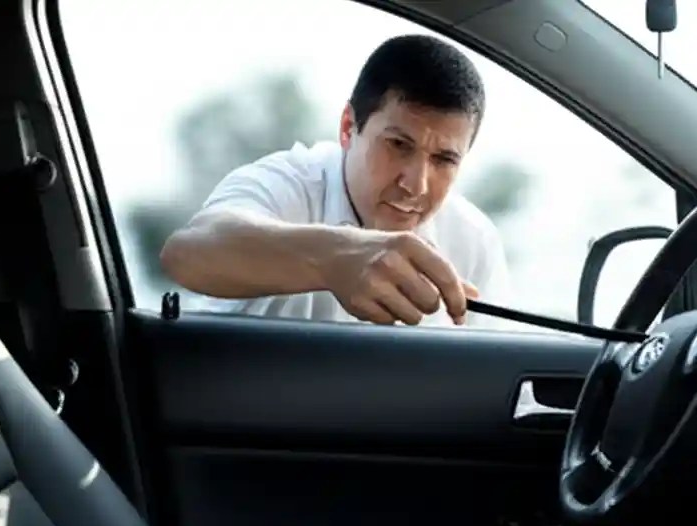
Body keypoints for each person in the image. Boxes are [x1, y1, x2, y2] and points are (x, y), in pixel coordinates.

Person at [159, 34, 512, 328]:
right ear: (348, 127)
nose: (416, 184)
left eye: (444, 160)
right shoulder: (291, 183)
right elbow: (186, 253)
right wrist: (335, 258)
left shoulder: (474, 240)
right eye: (399, 145)